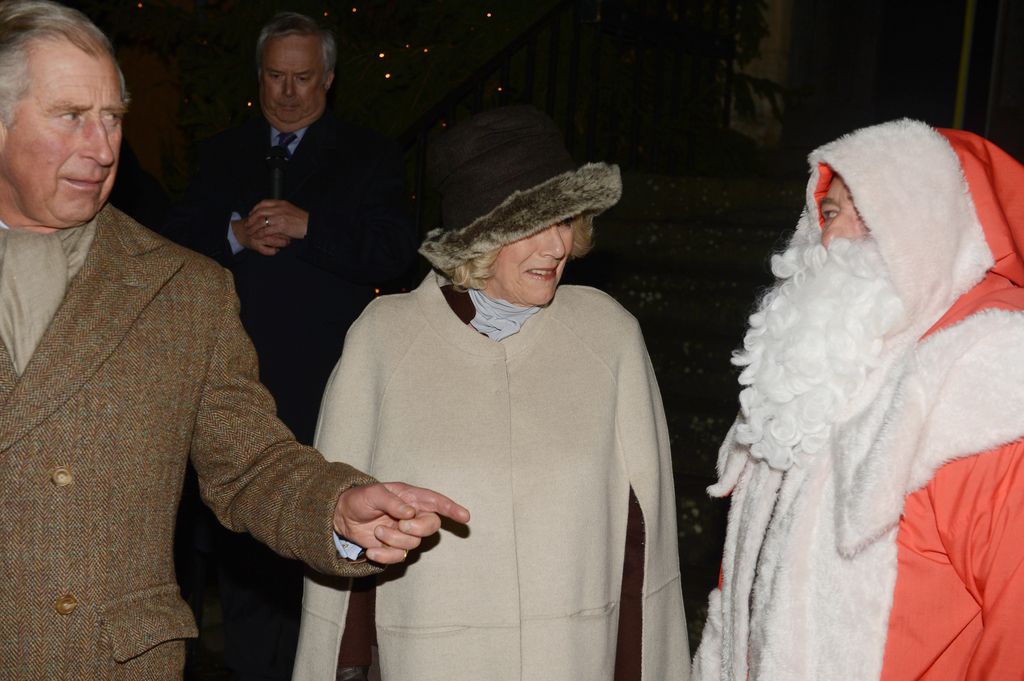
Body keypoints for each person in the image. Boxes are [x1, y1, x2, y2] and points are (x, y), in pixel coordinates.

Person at [0, 2, 468, 679]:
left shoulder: (181, 290)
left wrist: (335, 505)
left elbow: (250, 463)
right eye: (72, 116)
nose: (103, 149)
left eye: (113, 119)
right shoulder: (225, 163)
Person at [292, 105, 690, 681]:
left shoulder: (609, 337)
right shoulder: (384, 338)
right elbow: (339, 533)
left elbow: (646, 546)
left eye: (565, 222)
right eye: (533, 227)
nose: (556, 247)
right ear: (479, 236)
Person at [691, 119, 1024, 680]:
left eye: (868, 214)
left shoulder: (985, 392)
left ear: (933, 230)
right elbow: (744, 589)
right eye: (830, 213)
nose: (834, 238)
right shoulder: (811, 372)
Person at [162, 12, 418, 680]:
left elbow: (394, 253)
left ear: (328, 79)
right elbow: (168, 245)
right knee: (246, 573)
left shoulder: (368, 155)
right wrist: (236, 236)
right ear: (259, 78)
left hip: (327, 389)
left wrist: (311, 225)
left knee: (325, 582)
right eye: (276, 76)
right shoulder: (223, 151)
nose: (288, 91)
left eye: (304, 77)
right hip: (234, 391)